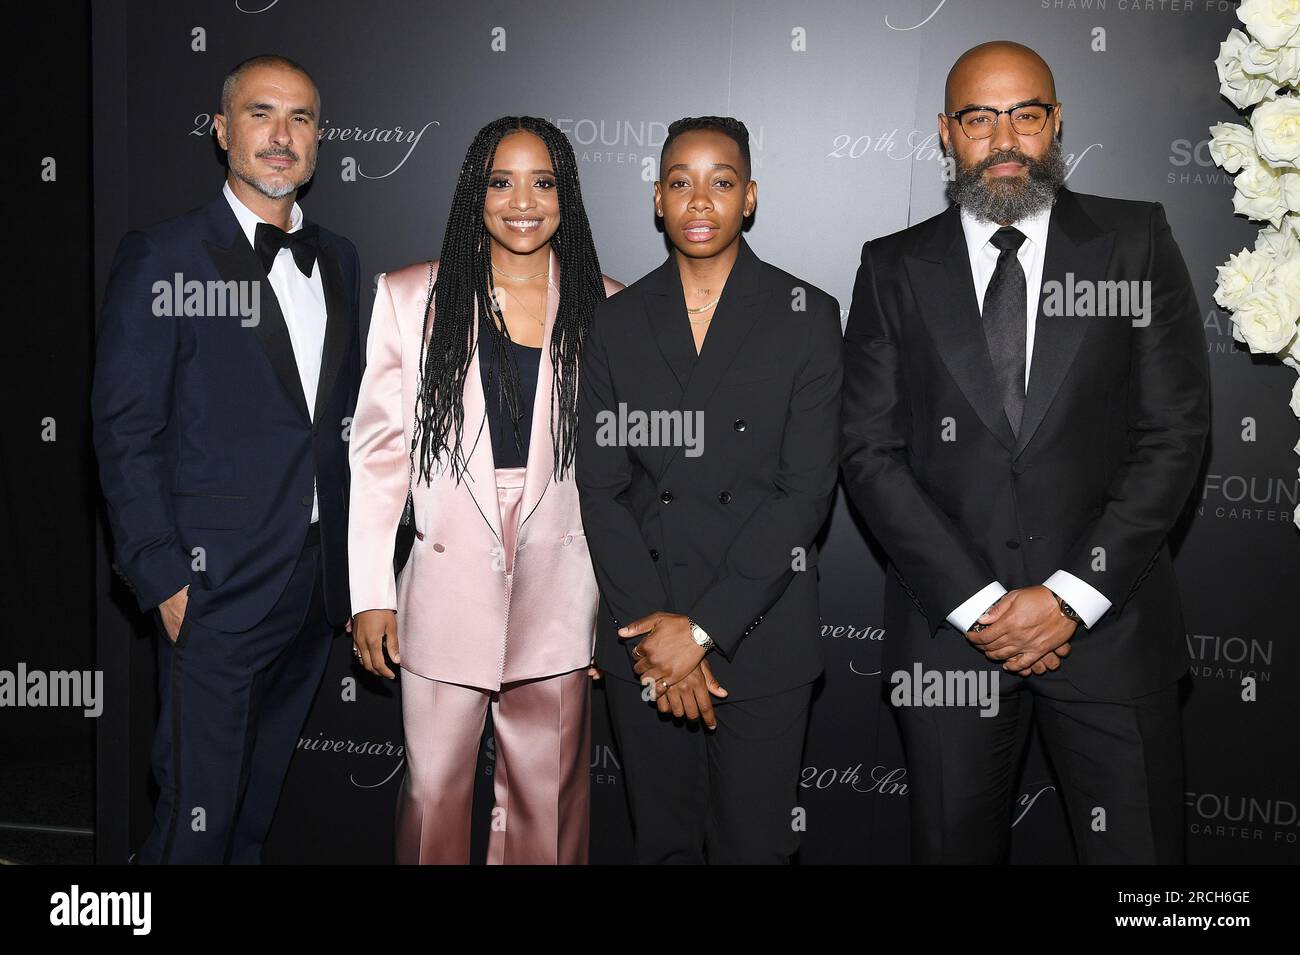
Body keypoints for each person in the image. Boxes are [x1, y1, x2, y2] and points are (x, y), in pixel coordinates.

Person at [840, 40, 1210, 864]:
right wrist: (980, 605)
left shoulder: (1133, 239)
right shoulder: (892, 268)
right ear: (946, 132)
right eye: (979, 117)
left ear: (1057, 122)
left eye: (1026, 115)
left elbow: (1173, 433)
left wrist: (1072, 596)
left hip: (1114, 636)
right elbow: (869, 451)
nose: (1004, 138)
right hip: (952, 644)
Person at [92, 54, 361, 864]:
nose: (282, 136)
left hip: (315, 588)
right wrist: (163, 576)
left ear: (317, 141)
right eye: (261, 114)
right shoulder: (164, 255)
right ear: (222, 130)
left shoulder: (340, 259)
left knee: (251, 813)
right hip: (212, 590)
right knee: (194, 823)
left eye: (302, 119)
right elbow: (122, 429)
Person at [348, 116, 622, 864]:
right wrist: (372, 590)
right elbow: (378, 459)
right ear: (476, 191)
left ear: (567, 196)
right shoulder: (411, 296)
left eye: (543, 182)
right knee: (433, 793)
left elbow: (626, 482)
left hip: (564, 587)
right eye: (502, 181)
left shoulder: (611, 307)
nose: (522, 200)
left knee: (550, 800)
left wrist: (616, 607)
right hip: (445, 579)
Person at [576, 116, 843, 864]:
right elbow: (601, 488)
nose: (700, 201)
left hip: (760, 635)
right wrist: (656, 637)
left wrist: (697, 632)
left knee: (753, 849)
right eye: (680, 182)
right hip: (642, 636)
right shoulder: (615, 320)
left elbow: (804, 495)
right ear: (657, 199)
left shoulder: (808, 314)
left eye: (721, 182)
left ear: (749, 197)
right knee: (658, 844)